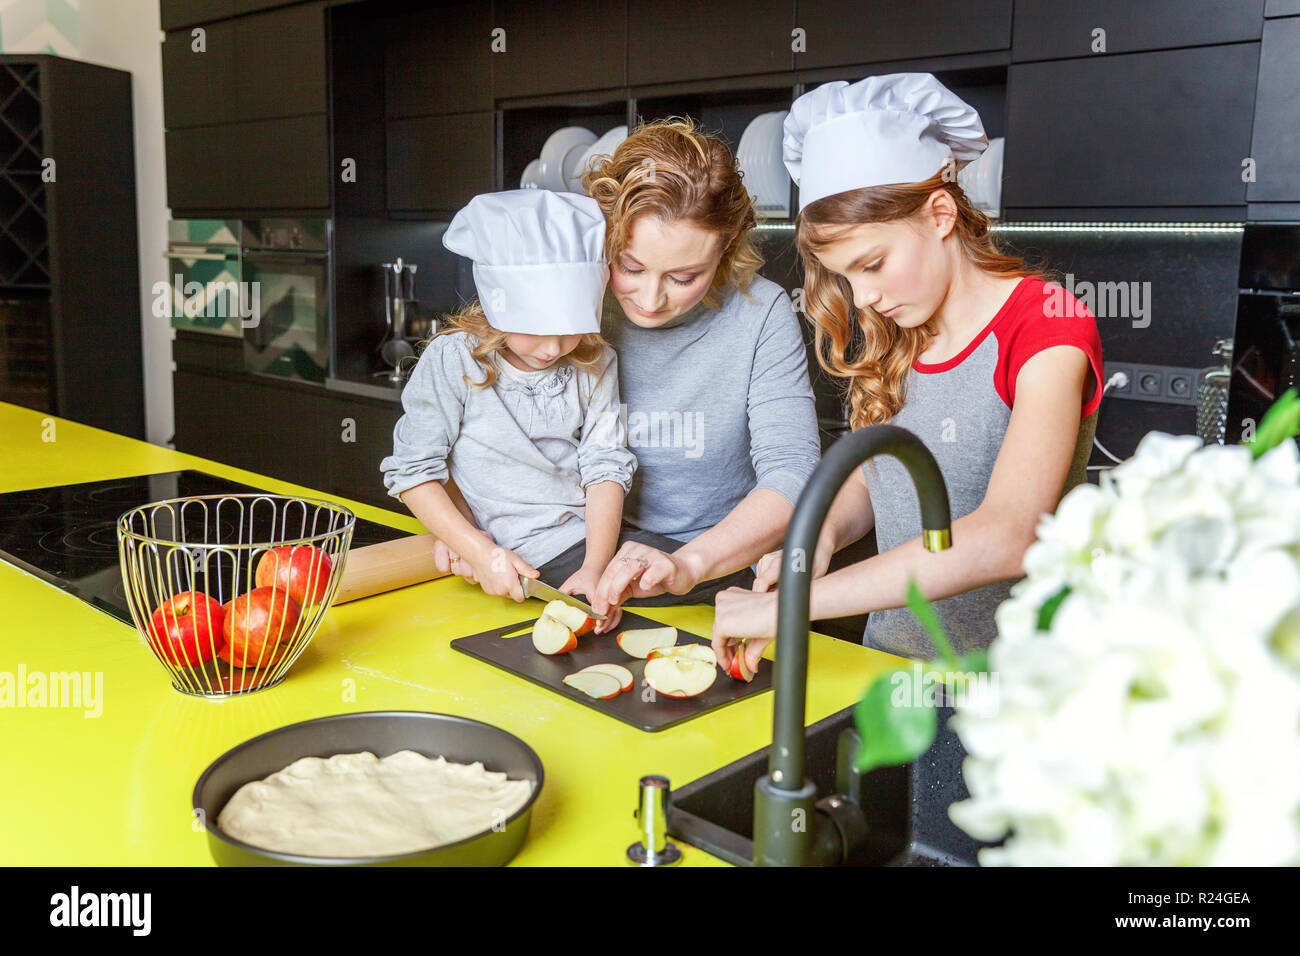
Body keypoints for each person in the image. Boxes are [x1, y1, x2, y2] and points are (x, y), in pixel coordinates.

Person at [711, 73, 1104, 671]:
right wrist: (821, 534)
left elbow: (1007, 535)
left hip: (1014, 690)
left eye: (873, 264)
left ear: (941, 213)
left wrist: (795, 603)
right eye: (847, 277)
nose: (863, 298)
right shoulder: (900, 323)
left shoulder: (1047, 323)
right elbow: (877, 479)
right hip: (891, 668)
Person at [437, 118, 822, 617]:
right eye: (631, 267)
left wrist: (687, 563)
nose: (650, 299)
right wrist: (463, 530)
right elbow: (467, 426)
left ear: (725, 249)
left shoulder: (761, 313)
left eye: (684, 277)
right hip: (564, 567)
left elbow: (791, 471)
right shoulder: (566, 308)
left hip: (712, 576)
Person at [380, 189, 637, 633]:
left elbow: (604, 467)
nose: (554, 347)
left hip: (586, 543)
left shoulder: (597, 362)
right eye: (536, 328)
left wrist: (595, 566)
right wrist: (476, 549)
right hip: (522, 556)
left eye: (572, 327)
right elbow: (415, 473)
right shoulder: (453, 359)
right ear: (498, 303)